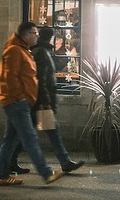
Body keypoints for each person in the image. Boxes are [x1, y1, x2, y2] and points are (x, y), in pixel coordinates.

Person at [0, 21, 63, 187]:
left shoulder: (22, 50)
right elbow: (10, 78)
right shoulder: (15, 51)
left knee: (10, 139)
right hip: (17, 102)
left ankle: (2, 175)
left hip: (19, 101)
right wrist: (21, 97)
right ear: (26, 35)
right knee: (30, 138)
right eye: (35, 33)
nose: (37, 36)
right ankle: (46, 173)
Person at [10, 26, 85, 176]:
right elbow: (41, 80)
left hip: (38, 102)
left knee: (31, 133)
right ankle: (63, 162)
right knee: (48, 132)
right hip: (40, 103)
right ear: (50, 38)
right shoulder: (42, 53)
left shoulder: (42, 52)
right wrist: (46, 102)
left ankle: (11, 160)